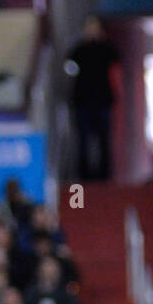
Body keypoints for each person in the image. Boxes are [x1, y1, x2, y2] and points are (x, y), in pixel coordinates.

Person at [66, 16, 119, 182]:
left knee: (104, 139)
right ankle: (84, 177)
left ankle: (105, 176)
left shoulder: (106, 48)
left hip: (102, 100)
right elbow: (69, 62)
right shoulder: (80, 49)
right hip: (83, 101)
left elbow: (116, 57)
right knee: (83, 140)